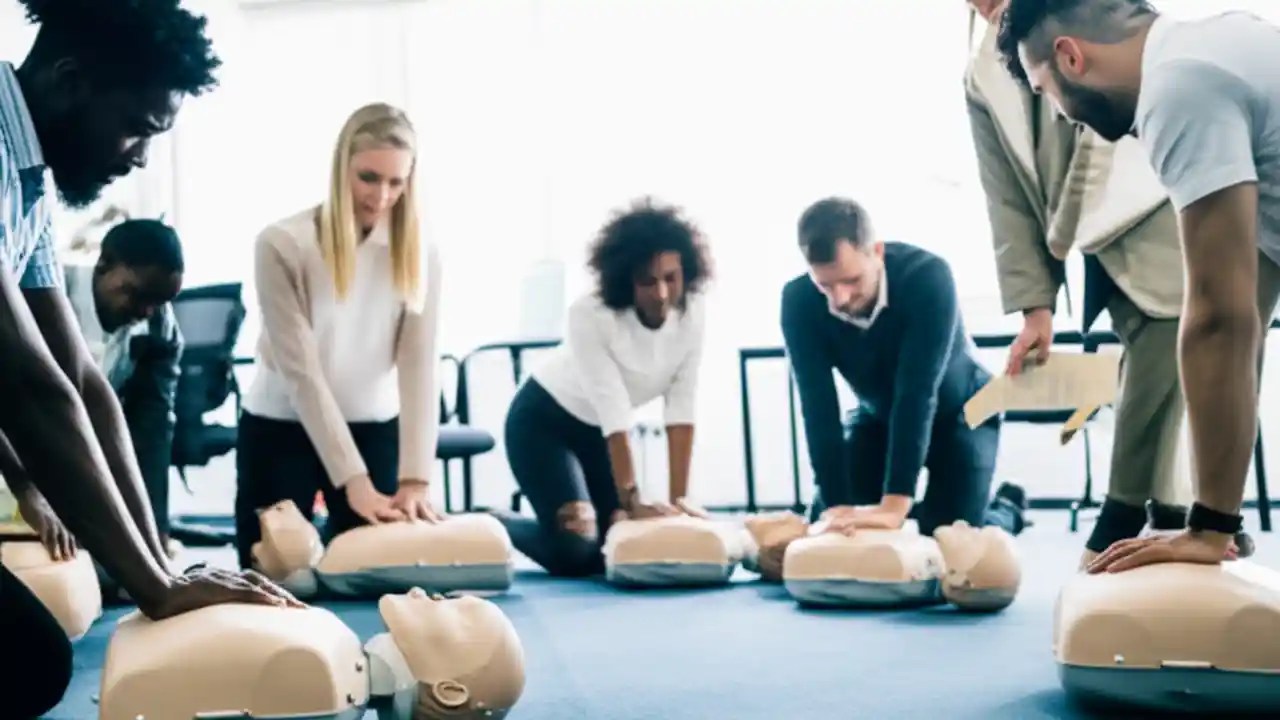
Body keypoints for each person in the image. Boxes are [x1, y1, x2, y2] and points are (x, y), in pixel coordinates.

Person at [0, 1, 297, 717]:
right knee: (24, 668)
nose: (139, 154)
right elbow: (30, 391)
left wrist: (161, 561)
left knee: (29, 664)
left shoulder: (26, 181)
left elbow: (82, 379)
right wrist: (153, 588)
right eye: (138, 126)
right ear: (72, 83)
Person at [995, 0, 1280, 572]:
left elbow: (1219, 315)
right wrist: (1216, 519)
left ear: (1070, 56)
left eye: (1043, 89)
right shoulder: (1222, 39)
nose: (1061, 114)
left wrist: (1206, 529)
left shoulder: (1178, 89)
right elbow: (1248, 305)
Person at [965, 0, 1201, 569]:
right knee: (1158, 360)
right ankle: (1171, 518)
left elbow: (1117, 99)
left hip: (1152, 196)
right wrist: (1035, 307)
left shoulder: (1081, 7)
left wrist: (1065, 229)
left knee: (1163, 350)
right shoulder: (977, 74)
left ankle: (1128, 516)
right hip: (1089, 237)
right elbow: (1007, 197)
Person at [235, 102, 443, 571]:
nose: (382, 195)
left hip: (372, 427)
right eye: (369, 177)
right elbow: (301, 372)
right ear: (341, 167)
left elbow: (418, 365)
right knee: (280, 575)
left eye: (397, 181)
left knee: (373, 574)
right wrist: (353, 481)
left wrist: (416, 479)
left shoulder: (420, 252)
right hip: (281, 426)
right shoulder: (282, 244)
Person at [781, 197, 1029, 539]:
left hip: (962, 411)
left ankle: (1006, 509)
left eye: (851, 280)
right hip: (879, 417)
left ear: (877, 252)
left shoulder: (928, 277)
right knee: (837, 528)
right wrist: (836, 506)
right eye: (825, 284)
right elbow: (817, 405)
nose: (839, 298)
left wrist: (894, 507)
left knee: (950, 537)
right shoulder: (797, 301)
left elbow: (917, 391)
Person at [496, 197, 713, 577]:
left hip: (597, 435)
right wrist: (633, 498)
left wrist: (681, 503)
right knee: (577, 551)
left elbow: (681, 407)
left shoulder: (693, 314)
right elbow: (613, 410)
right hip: (543, 424)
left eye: (670, 278)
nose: (661, 293)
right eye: (647, 281)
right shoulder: (590, 314)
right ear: (625, 281)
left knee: (614, 545)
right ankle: (495, 521)